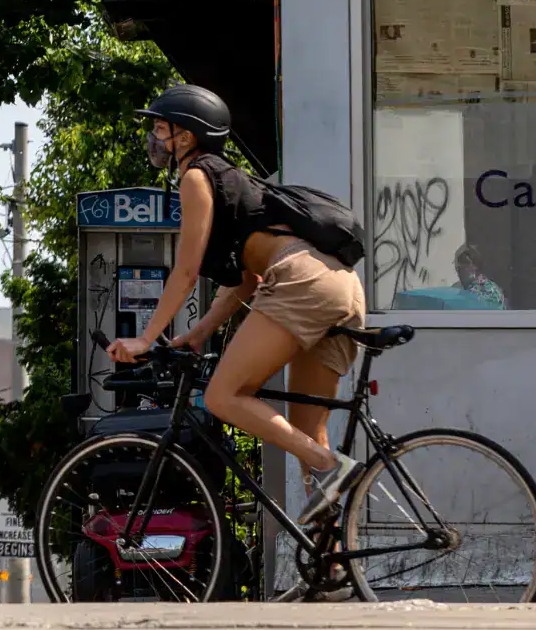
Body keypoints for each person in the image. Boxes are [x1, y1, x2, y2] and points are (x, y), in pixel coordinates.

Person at [108, 84, 367, 524]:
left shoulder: (196, 176)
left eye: (159, 127)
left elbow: (186, 271)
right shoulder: (232, 181)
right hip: (340, 286)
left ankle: (331, 466)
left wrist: (145, 339)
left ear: (185, 136)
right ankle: (332, 574)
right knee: (307, 432)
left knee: (223, 396)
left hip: (302, 282)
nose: (153, 137)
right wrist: (199, 332)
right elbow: (248, 279)